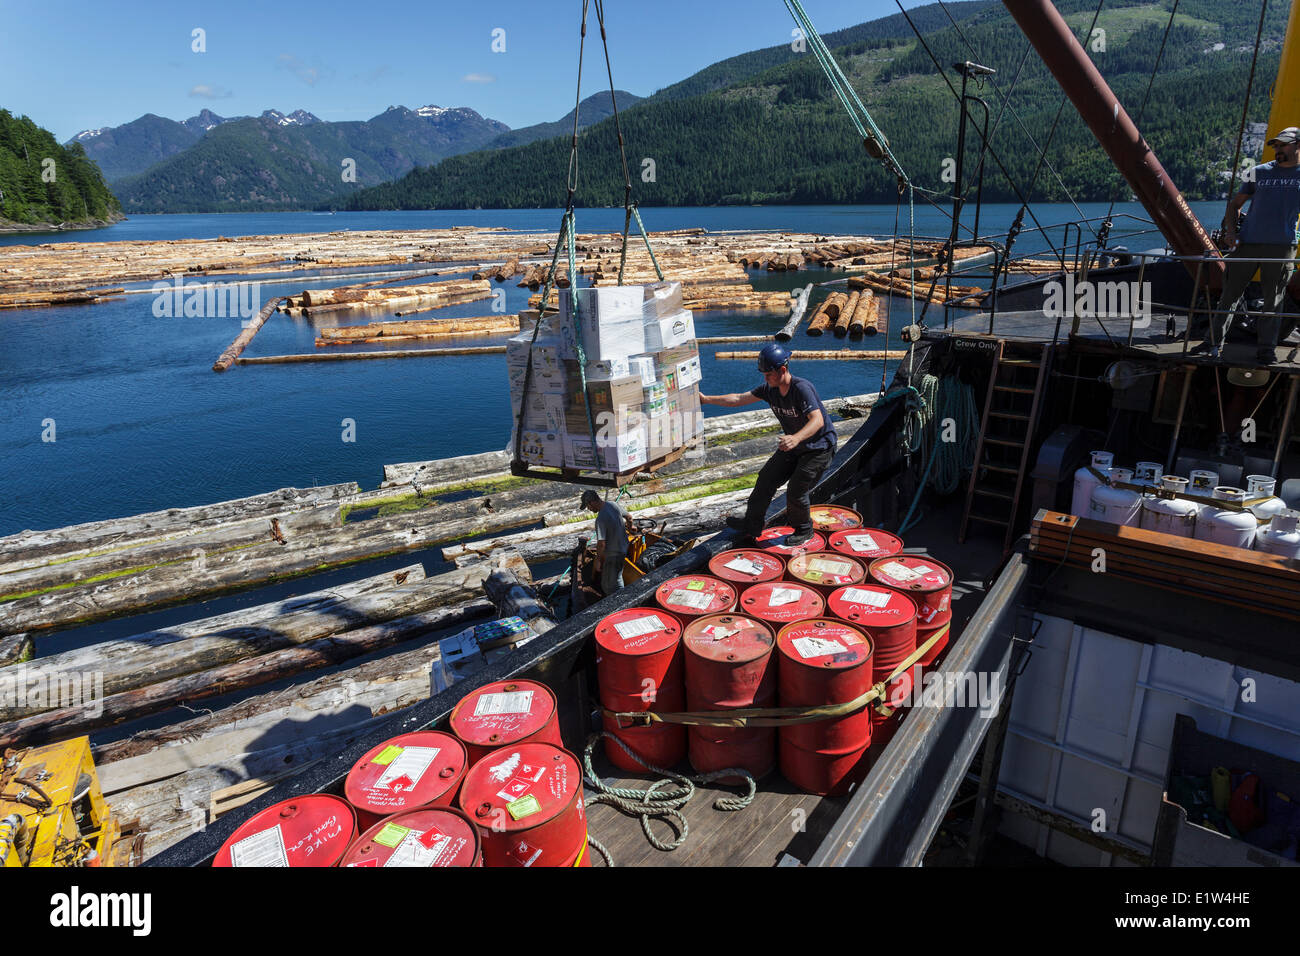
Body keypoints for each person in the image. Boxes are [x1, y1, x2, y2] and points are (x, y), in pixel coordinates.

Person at [700, 343, 837, 547]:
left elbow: (817, 420)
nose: (765, 378)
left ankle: (804, 529)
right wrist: (706, 399)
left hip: (818, 447)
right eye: (763, 374)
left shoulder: (801, 388)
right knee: (766, 478)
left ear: (782, 370)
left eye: (768, 374)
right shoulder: (769, 389)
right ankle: (752, 524)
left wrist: (795, 438)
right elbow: (738, 398)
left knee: (796, 489)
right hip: (794, 446)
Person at [1217, 126, 1300, 366]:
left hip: (1282, 247)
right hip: (1248, 244)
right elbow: (1235, 206)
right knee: (1229, 296)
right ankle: (1213, 342)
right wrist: (1231, 232)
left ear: (1297, 145)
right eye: (1275, 145)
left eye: (1283, 144)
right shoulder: (1257, 172)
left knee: (1274, 300)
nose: (1278, 149)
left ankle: (1266, 350)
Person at [580, 489, 630, 595]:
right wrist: (630, 527)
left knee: (609, 586)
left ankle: (620, 603)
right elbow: (629, 517)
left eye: (588, 506)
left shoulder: (600, 519)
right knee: (617, 577)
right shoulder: (613, 505)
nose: (589, 509)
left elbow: (601, 544)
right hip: (624, 548)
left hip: (613, 554)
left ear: (592, 502)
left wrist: (599, 561)